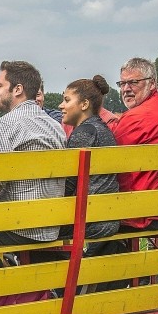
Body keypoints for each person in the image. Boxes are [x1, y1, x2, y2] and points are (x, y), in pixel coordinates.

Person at [0, 60, 67, 246]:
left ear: (17, 89)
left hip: (18, 227)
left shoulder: (5, 124)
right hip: (51, 226)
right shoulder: (55, 126)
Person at [110, 56, 158, 231]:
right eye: (122, 84)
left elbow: (109, 155)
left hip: (143, 212)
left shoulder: (138, 116)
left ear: (152, 83)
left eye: (133, 82)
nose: (126, 89)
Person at [60, 75, 121, 245]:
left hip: (91, 221)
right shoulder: (103, 129)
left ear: (84, 104)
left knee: (38, 229)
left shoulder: (84, 133)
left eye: (66, 100)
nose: (61, 106)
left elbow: (68, 185)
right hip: (109, 217)